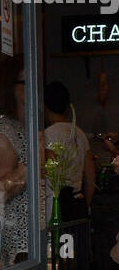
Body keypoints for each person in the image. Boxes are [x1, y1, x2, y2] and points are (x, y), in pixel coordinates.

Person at [0, 58, 29, 267]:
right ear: (12, 88)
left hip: (35, 233)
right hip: (17, 242)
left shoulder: (28, 126)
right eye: (26, 82)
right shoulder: (5, 132)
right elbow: (0, 191)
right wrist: (28, 168)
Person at [42, 80, 95, 221]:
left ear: (44, 106)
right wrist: (86, 206)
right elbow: (90, 177)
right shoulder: (80, 133)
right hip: (77, 203)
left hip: (53, 208)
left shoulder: (47, 135)